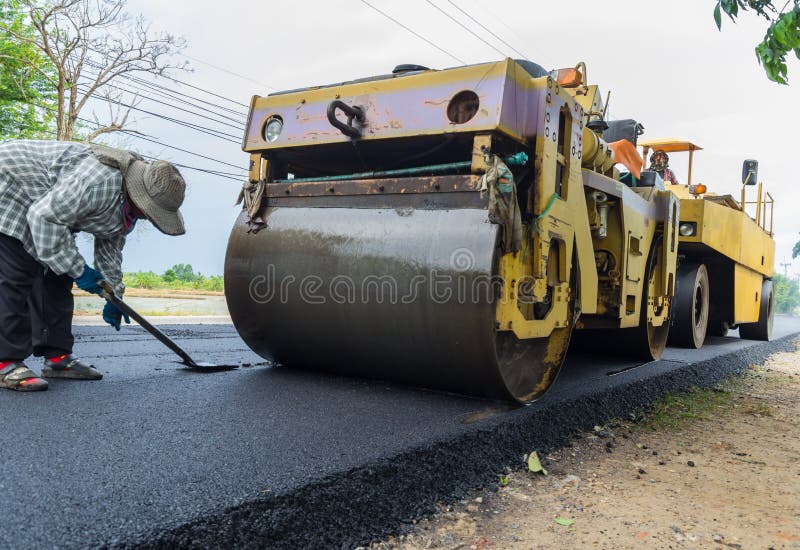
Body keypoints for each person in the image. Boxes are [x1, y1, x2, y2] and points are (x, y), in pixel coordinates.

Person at [0, 140, 186, 392]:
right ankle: (5, 363)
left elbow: (110, 250)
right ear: (139, 195)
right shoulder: (100, 183)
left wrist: (114, 294)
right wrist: (80, 271)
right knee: (17, 273)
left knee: (58, 275)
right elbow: (41, 216)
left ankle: (57, 359)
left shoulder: (127, 207)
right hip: (12, 186)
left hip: (45, 207)